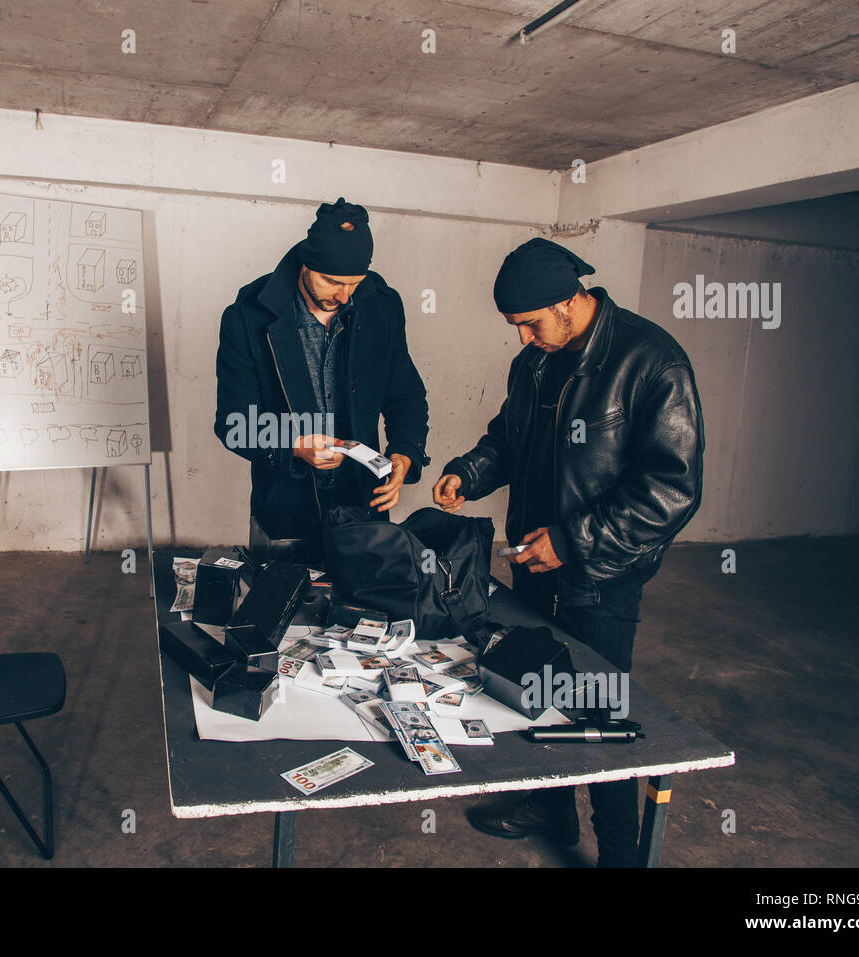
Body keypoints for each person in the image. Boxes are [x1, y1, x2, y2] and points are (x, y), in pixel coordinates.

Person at [432, 238, 704, 867]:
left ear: (568, 301)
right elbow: (509, 438)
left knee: (601, 716)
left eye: (530, 323)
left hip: (600, 579)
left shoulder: (652, 363)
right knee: (533, 691)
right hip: (532, 563)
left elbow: (672, 491)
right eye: (516, 327)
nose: (523, 337)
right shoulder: (535, 363)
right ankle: (549, 807)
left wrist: (575, 541)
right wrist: (467, 474)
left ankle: (621, 854)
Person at [214, 198, 429, 561]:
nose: (344, 296)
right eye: (332, 282)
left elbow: (405, 395)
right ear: (306, 263)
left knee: (367, 611)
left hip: (364, 504)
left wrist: (405, 456)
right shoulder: (247, 317)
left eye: (354, 283)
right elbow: (234, 424)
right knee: (287, 610)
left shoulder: (382, 306)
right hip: (285, 507)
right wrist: (293, 446)